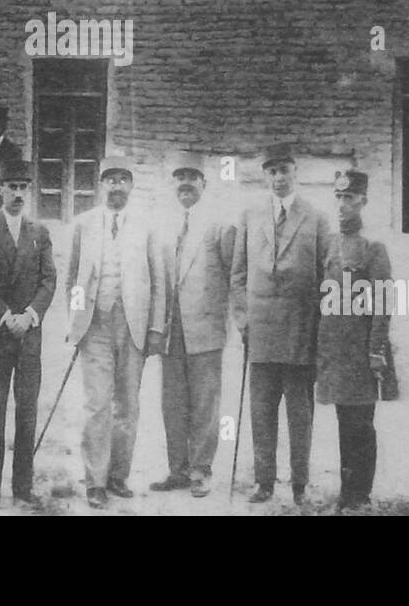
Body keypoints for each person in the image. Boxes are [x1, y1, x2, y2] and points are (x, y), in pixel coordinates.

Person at [230, 142, 331, 504]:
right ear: (265, 176)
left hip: (300, 329)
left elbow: (326, 277)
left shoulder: (316, 217)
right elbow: (237, 275)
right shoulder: (250, 215)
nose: (278, 178)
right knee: (261, 410)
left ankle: (300, 483)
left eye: (284, 170)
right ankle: (264, 481)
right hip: (259, 331)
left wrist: (319, 327)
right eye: (271, 172)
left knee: (299, 413)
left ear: (295, 172)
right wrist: (243, 321)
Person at [67, 156, 167, 509]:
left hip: (134, 325)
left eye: (123, 180)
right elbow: (73, 280)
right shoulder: (84, 224)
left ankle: (117, 476)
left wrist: (156, 327)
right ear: (100, 185)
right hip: (95, 324)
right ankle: (95, 480)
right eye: (110, 180)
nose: (116, 186)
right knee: (97, 404)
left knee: (128, 404)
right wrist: (75, 323)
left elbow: (159, 281)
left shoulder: (146, 226)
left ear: (131, 186)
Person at [0, 159, 55, 507]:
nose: (18, 194)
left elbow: (49, 280)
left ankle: (23, 487)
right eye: (12, 187)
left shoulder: (40, 232)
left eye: (23, 187)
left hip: (29, 338)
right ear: (0, 188)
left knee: (27, 411)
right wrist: (5, 316)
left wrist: (30, 316)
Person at [150, 152, 235, 499]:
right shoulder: (164, 226)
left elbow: (234, 276)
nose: (185, 182)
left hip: (205, 328)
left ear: (204, 182)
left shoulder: (219, 225)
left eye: (192, 176)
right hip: (172, 330)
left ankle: (201, 471)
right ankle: (178, 470)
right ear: (173, 182)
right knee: (172, 404)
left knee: (204, 404)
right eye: (180, 176)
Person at [316, 170, 393, 511]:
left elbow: (383, 303)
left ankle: (360, 494)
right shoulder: (330, 243)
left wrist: (375, 350)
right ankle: (346, 491)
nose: (343, 205)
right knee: (342, 422)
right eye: (339, 197)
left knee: (361, 424)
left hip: (361, 352)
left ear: (364, 201)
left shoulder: (373, 246)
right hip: (335, 350)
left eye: (350, 198)